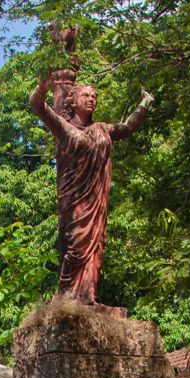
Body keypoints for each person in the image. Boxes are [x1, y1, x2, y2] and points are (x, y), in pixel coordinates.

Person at [29, 62, 153, 315]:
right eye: (86, 95)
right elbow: (38, 107)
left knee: (96, 247)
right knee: (75, 246)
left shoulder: (102, 129)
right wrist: (41, 89)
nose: (91, 99)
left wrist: (144, 105)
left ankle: (87, 299)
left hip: (96, 201)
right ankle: (64, 296)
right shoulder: (65, 129)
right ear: (73, 101)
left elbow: (127, 128)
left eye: (94, 96)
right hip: (75, 201)